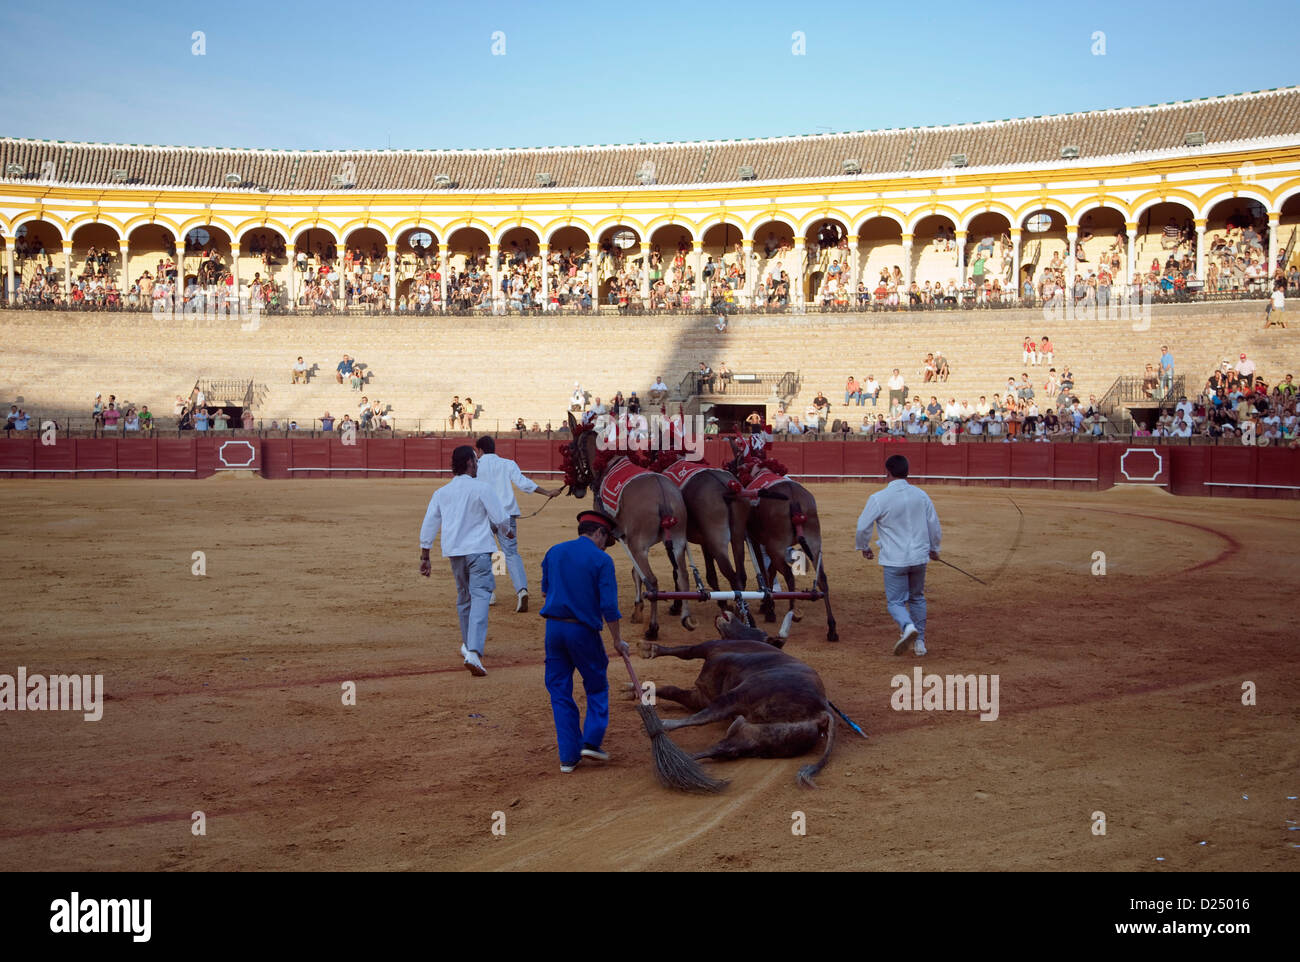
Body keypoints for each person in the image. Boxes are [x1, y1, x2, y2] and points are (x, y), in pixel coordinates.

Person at [539, 508, 627, 773]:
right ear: (599, 533)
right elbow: (609, 607)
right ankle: (590, 741)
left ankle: (568, 757)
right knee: (597, 685)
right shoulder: (601, 561)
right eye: (606, 539)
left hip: (553, 630)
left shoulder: (554, 552)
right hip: (583, 632)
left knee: (559, 690)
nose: (605, 546)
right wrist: (617, 640)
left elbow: (546, 590)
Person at [418, 445, 511, 677]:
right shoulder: (482, 488)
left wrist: (425, 556)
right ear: (470, 462)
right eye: (475, 461)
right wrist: (507, 531)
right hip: (479, 551)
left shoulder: (441, 493)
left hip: (455, 553)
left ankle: (468, 644)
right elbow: (501, 518)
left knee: (464, 598)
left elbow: (430, 523)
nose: (477, 464)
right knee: (481, 596)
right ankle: (473, 651)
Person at [854, 454, 942, 657]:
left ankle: (907, 626)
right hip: (919, 557)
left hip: (895, 559)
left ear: (888, 472)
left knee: (895, 602)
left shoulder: (878, 498)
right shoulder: (921, 495)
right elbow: (933, 525)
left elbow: (862, 527)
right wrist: (934, 548)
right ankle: (920, 642)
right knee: (917, 598)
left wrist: (864, 546)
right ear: (907, 472)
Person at [474, 435, 563, 612]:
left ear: (480, 450)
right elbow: (523, 484)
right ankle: (521, 590)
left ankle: (489, 592)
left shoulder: (475, 465)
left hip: (484, 515)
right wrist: (547, 492)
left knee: (486, 552)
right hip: (507, 515)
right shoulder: (507, 464)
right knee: (510, 553)